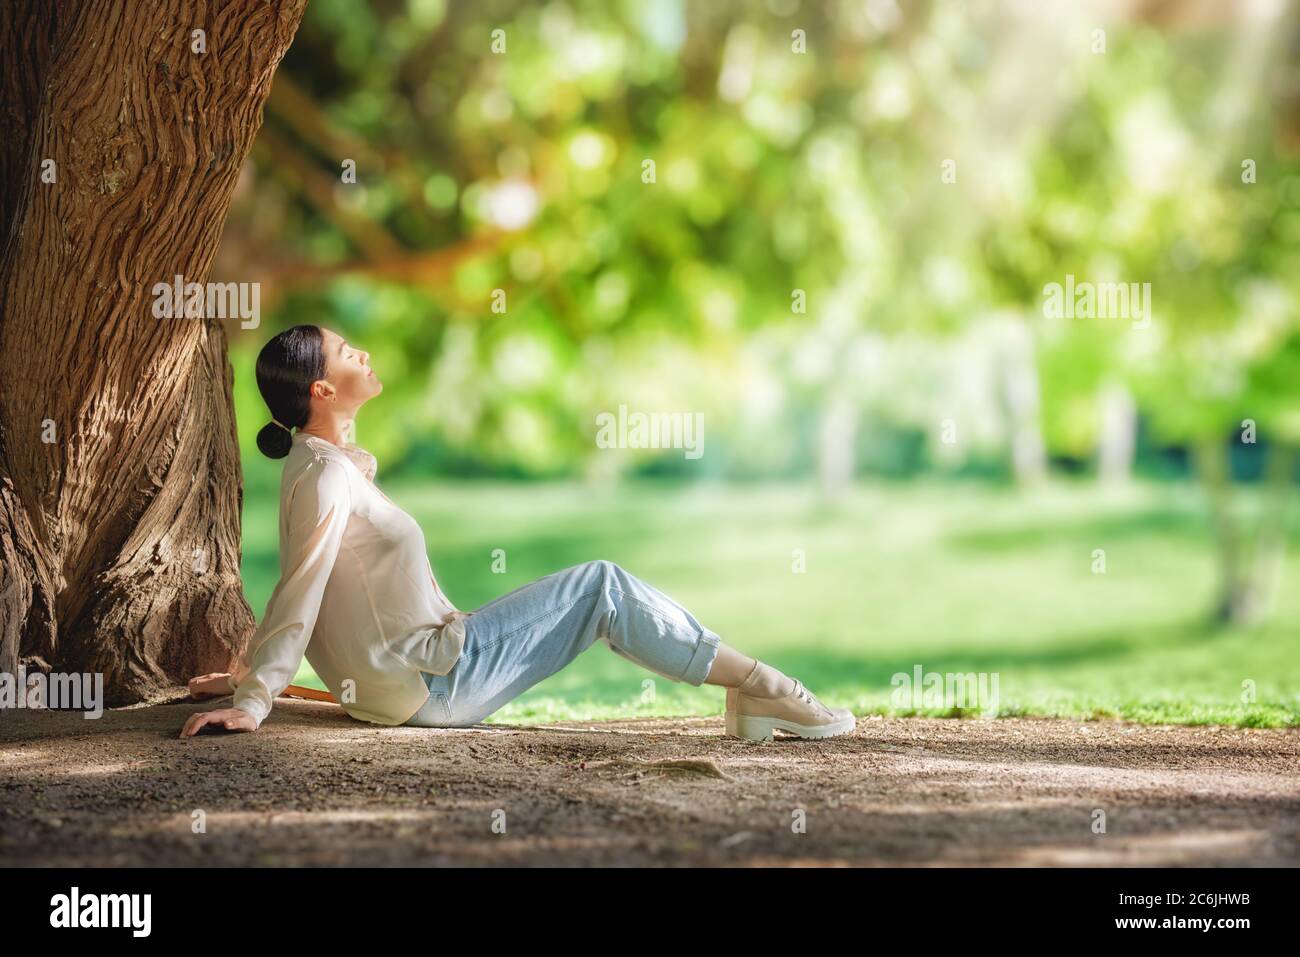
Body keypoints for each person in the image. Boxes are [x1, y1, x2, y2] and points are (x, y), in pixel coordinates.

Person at [180, 325, 854, 743]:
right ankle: (764, 684)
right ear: (322, 390)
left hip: (420, 676)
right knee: (602, 586)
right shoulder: (325, 476)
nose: (362, 350)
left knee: (595, 591)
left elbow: (305, 584)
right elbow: (302, 589)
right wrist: (255, 699)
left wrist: (245, 675)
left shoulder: (317, 466)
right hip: (436, 682)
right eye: (345, 350)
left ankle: (751, 690)